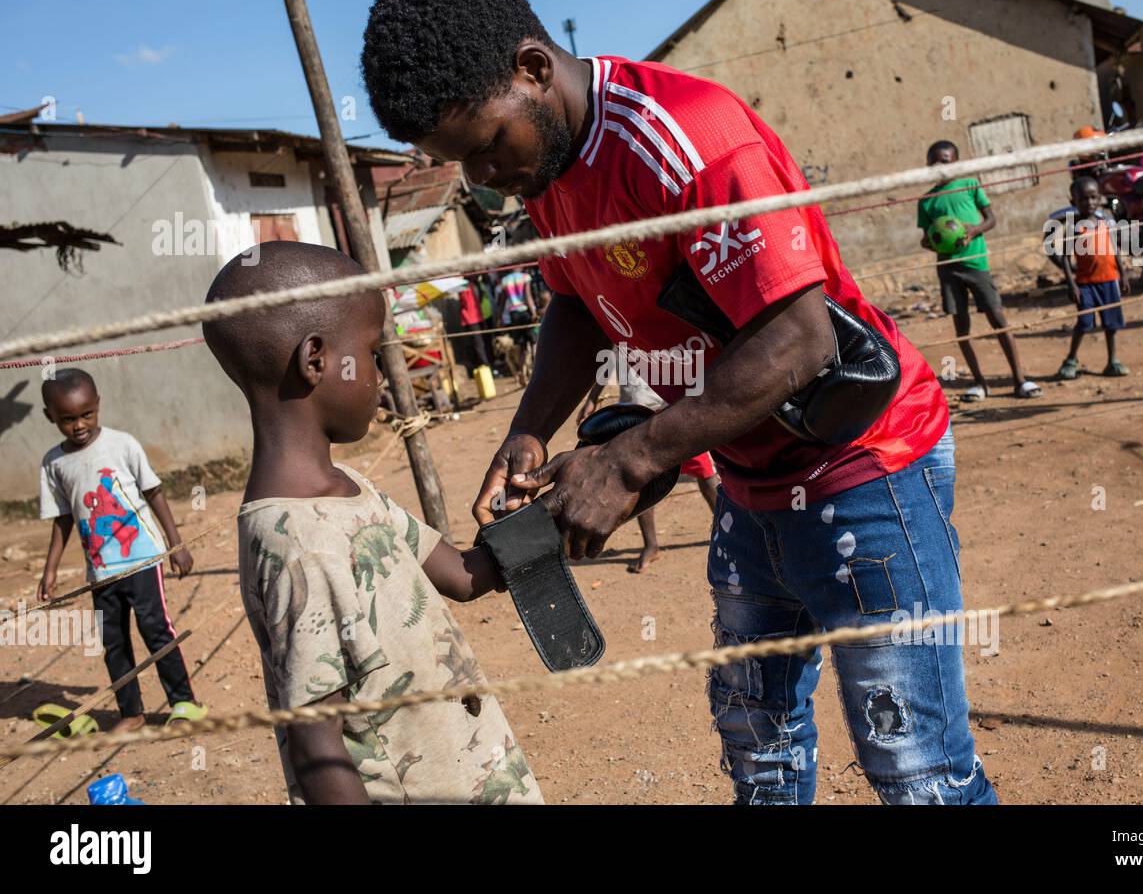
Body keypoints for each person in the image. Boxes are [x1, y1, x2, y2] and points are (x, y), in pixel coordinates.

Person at [362, 0, 996, 804]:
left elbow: (798, 341)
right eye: (459, 163)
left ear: (533, 70)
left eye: (484, 147)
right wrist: (530, 431)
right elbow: (576, 306)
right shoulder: (547, 174)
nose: (483, 179)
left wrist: (630, 461)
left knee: (915, 769)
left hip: (860, 468)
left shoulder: (686, 138)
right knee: (758, 740)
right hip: (747, 473)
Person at [202, 240, 542, 805]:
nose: (384, 372)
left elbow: (462, 574)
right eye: (372, 352)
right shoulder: (298, 544)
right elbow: (318, 752)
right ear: (315, 359)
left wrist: (540, 514)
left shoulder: (352, 489)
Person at [37, 368, 206, 733]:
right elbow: (62, 519)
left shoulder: (122, 444)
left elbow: (154, 493)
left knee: (156, 630)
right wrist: (49, 569)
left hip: (142, 559)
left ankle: (184, 704)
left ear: (98, 406)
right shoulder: (54, 463)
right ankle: (131, 713)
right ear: (51, 416)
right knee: (112, 642)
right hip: (101, 571)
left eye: (86, 414)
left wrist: (176, 544)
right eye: (67, 419)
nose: (79, 425)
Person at [576, 351, 720, 573]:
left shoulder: (659, 329)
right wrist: (592, 399)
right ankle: (651, 545)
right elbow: (608, 364)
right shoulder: (618, 329)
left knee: (704, 472)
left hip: (672, 413)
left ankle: (726, 529)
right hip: (633, 417)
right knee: (640, 481)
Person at [918, 141, 1038, 401]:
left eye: (946, 161)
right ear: (928, 165)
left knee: (998, 320)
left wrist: (973, 231)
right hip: (948, 270)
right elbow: (926, 239)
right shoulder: (926, 201)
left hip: (976, 265)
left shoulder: (970, 184)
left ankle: (1020, 379)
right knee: (962, 326)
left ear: (957, 163)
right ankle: (980, 383)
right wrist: (934, 241)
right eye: (935, 162)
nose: (941, 166)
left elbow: (991, 219)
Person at [1056, 176, 1130, 379]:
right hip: (1086, 285)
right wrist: (1072, 285)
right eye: (1083, 199)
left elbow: (1113, 250)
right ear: (1074, 202)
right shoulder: (1074, 228)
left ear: (1099, 199)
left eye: (1093, 198)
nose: (1089, 203)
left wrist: (1122, 275)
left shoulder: (1104, 223)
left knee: (1111, 324)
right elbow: (1064, 259)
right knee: (1084, 323)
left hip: (1109, 280)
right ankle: (1071, 359)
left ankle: (1112, 361)